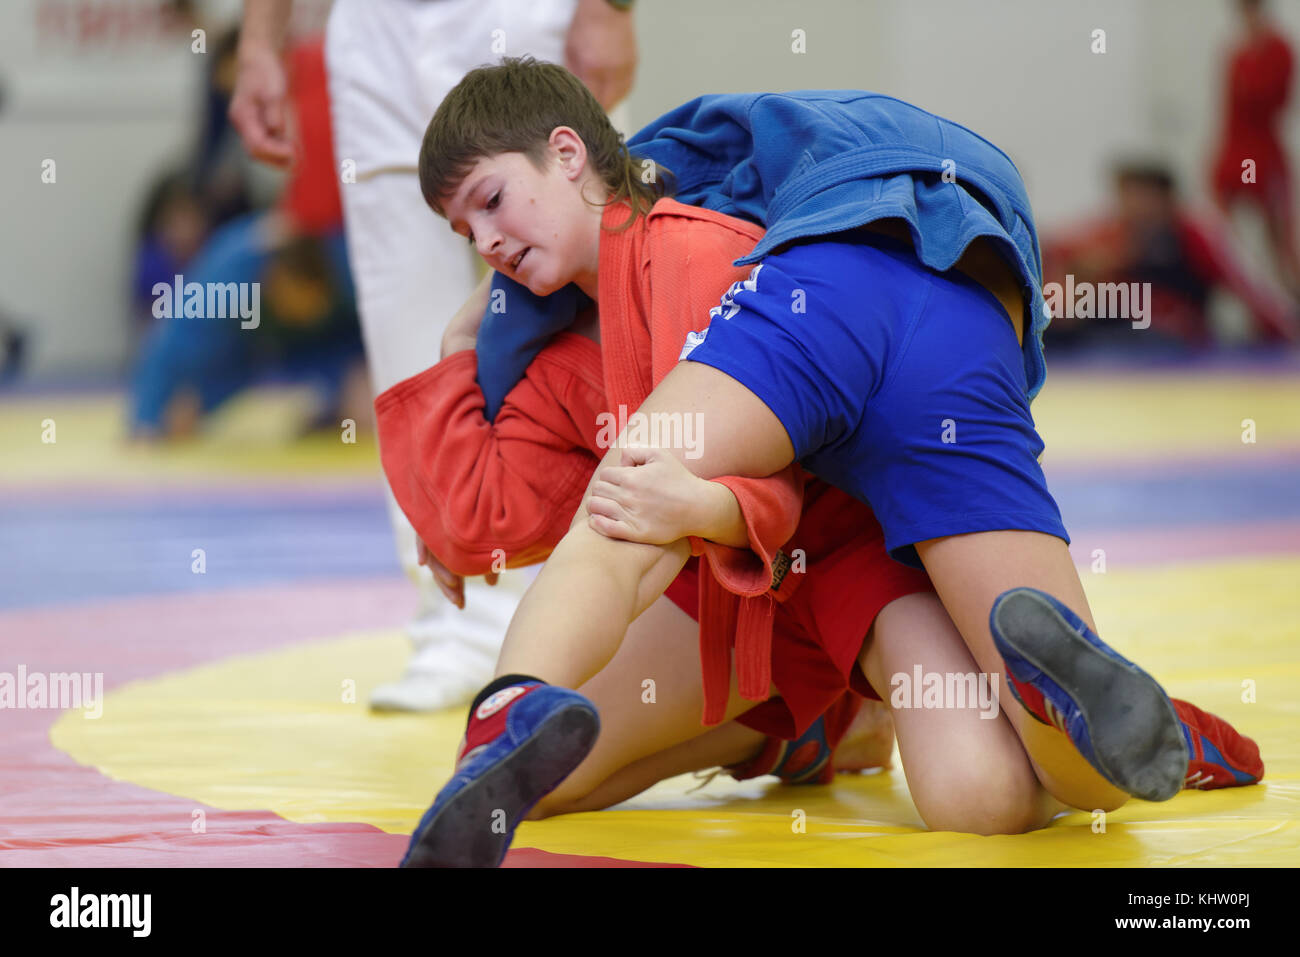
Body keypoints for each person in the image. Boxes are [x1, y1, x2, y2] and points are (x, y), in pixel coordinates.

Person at [389, 59, 1264, 865]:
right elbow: (484, 514)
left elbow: (766, 477)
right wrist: (462, 345)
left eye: (493, 201)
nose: (486, 241)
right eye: (465, 228)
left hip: (850, 549)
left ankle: (516, 699)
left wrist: (707, 512)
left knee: (980, 795)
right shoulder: (542, 338)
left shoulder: (695, 247)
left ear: (570, 154)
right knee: (552, 777)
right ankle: (792, 727)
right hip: (930, 355)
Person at [229, 0, 638, 712]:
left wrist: (608, 6)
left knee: (596, 274)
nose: (482, 243)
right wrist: (262, 39)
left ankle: (609, 608)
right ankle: (457, 624)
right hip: (375, 29)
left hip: (529, 13)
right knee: (404, 309)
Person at [1211, 0, 1298, 295]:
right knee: (1222, 239)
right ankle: (1238, 299)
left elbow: (1274, 101)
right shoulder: (1235, 53)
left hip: (1261, 156)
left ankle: (1290, 297)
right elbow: (1228, 108)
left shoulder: (1279, 49)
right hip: (1234, 154)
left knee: (1279, 240)